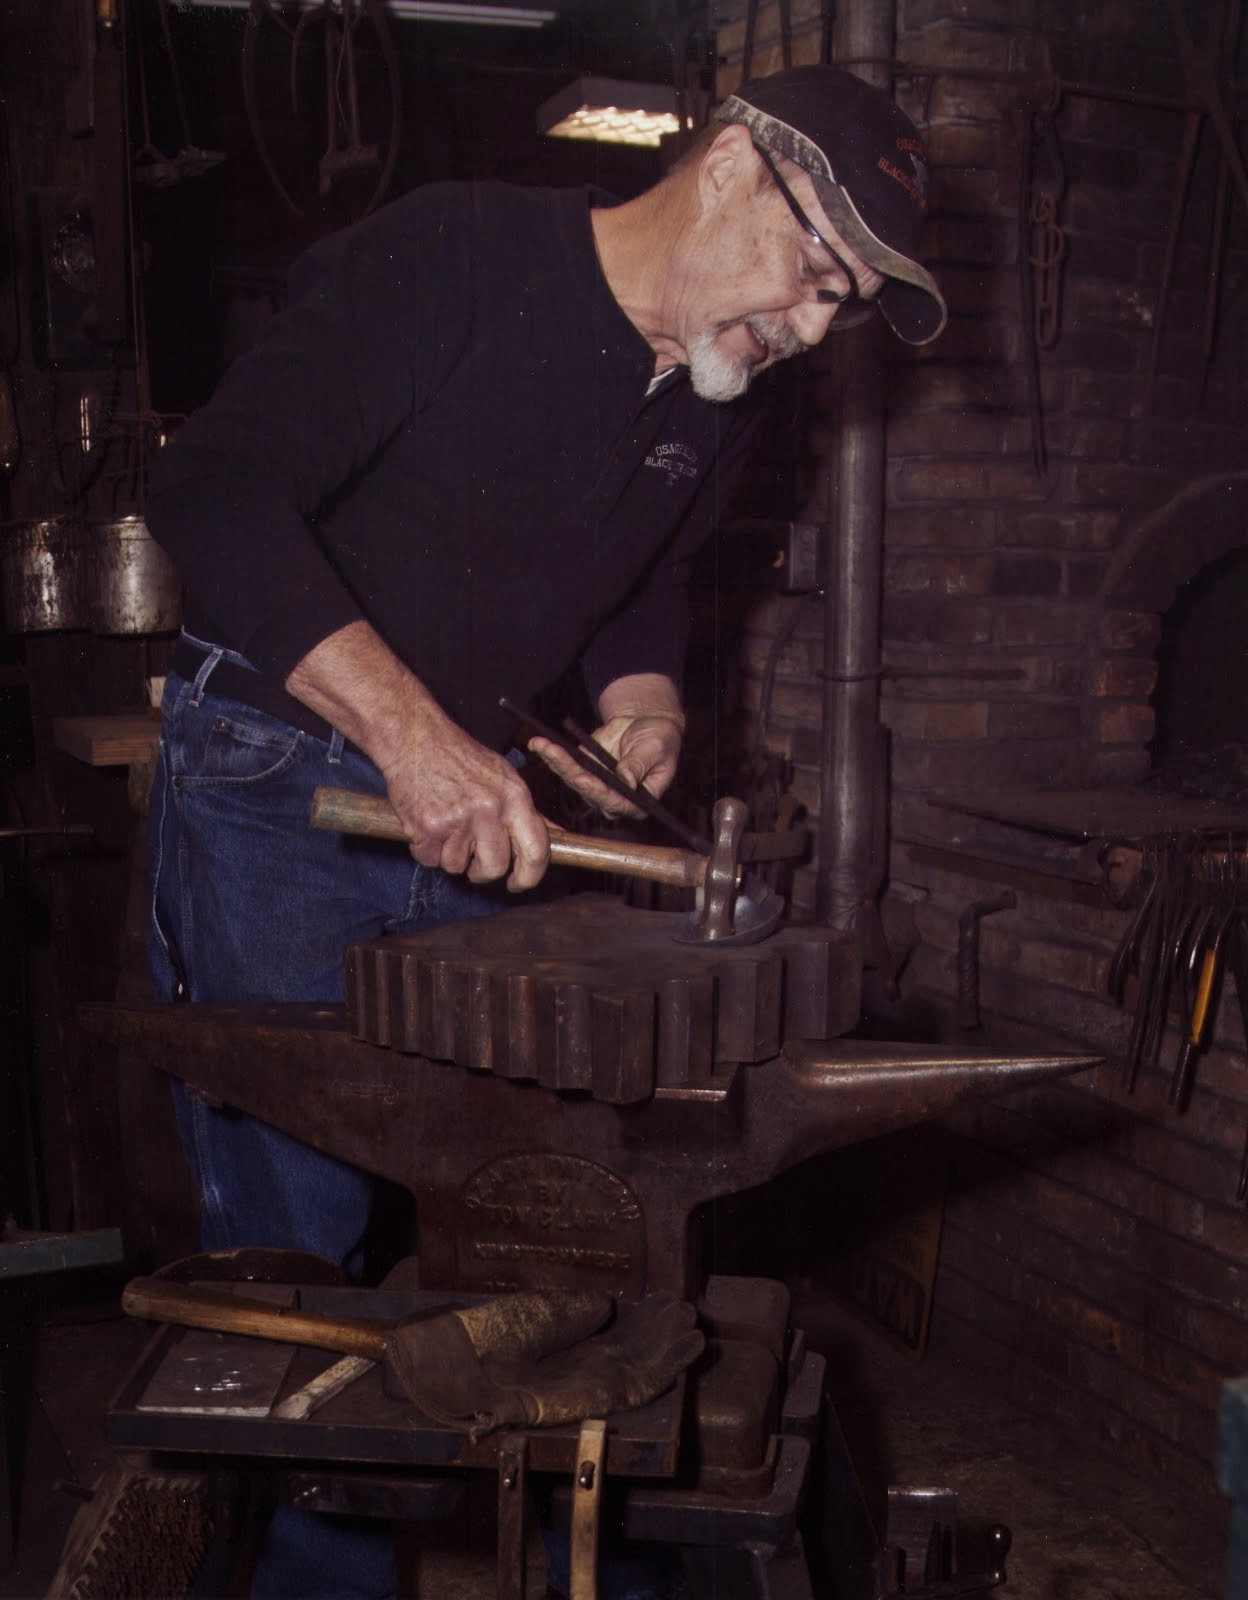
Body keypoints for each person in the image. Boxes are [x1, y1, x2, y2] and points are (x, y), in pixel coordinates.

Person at [144, 63, 946, 1600]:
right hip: (281, 783)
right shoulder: (450, 255)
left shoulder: (711, 390)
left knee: (527, 1225)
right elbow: (215, 490)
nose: (815, 328)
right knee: (308, 1268)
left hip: (472, 809)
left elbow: (645, 581)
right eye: (820, 277)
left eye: (844, 305)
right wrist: (412, 738)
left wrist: (642, 701)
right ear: (729, 172)